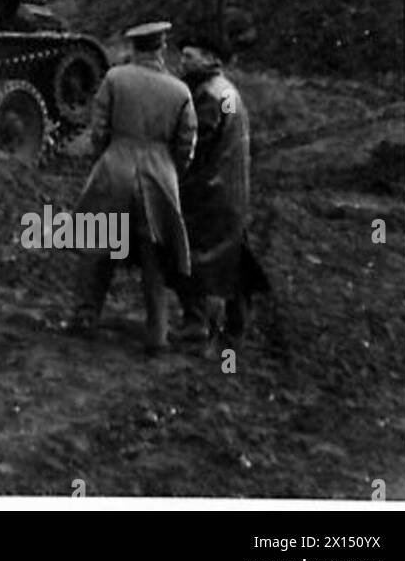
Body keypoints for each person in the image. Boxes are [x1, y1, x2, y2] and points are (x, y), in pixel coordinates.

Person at [71, 21, 198, 354]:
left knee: (99, 243)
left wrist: (105, 159)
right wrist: (171, 170)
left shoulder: (115, 78)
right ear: (161, 47)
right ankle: (157, 333)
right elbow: (186, 145)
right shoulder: (180, 91)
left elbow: (98, 130)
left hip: (116, 165)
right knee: (153, 254)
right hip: (159, 173)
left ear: (134, 48)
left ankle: (85, 315)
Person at [172, 36, 270, 345]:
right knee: (233, 255)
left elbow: (195, 144)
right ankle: (237, 324)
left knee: (185, 251)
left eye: (189, 55)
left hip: (207, 190)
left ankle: (195, 320)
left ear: (208, 57)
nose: (182, 61)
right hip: (232, 191)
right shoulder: (227, 90)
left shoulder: (207, 96)